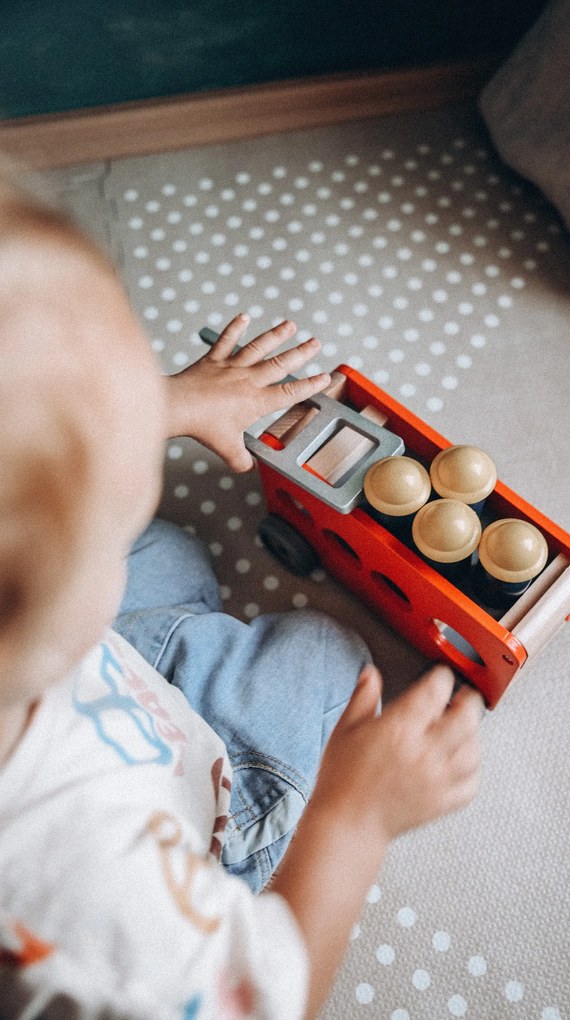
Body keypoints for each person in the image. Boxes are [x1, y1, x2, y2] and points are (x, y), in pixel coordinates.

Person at [0, 165, 483, 1019]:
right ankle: (272, 810)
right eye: (118, 510)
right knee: (319, 654)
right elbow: (266, 1001)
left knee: (170, 547)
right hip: (184, 814)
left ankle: (140, 588)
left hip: (83, 687)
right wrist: (353, 819)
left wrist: (171, 402)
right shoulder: (92, 904)